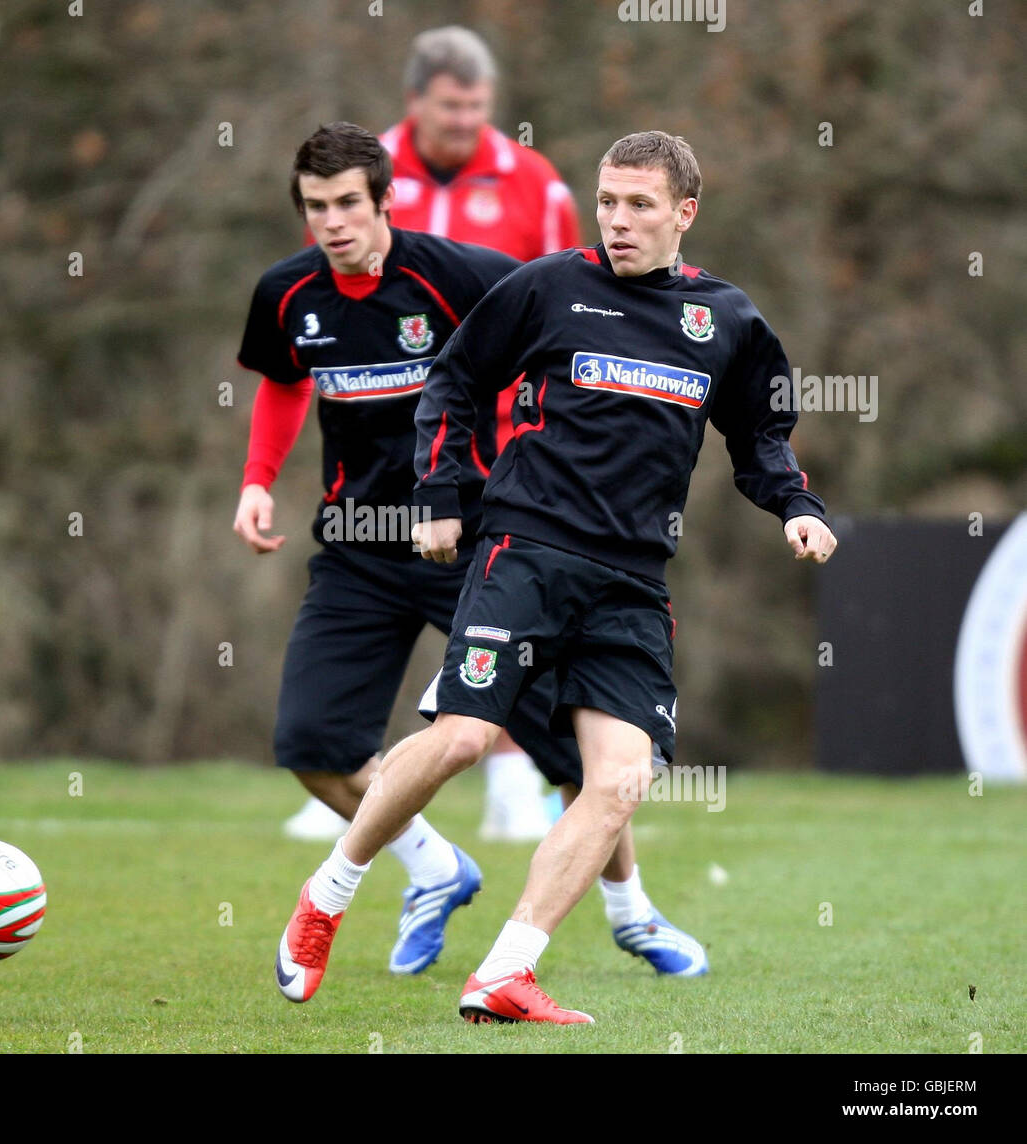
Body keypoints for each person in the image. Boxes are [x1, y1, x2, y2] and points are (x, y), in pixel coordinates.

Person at [274, 130, 837, 1022]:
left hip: (633, 582)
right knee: (462, 738)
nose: (617, 220)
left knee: (616, 782)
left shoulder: (725, 321)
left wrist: (798, 507)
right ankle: (327, 896)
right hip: (524, 552)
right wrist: (441, 493)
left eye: (640, 205)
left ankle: (506, 969)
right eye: (608, 201)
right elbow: (451, 382)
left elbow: (760, 438)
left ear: (685, 213)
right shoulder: (548, 288)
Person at [239, 123, 705, 984]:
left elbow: (558, 324)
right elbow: (283, 382)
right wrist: (258, 477)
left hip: (476, 543)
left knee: (582, 754)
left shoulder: (463, 274)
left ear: (387, 201)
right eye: (314, 208)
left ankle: (632, 913)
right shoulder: (285, 293)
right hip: (354, 546)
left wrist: (477, 483)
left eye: (348, 203)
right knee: (311, 742)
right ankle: (434, 870)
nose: (332, 223)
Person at [285, 24, 579, 844]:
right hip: (379, 446)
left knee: (504, 607)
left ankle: (524, 780)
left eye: (479, 108)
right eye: (451, 107)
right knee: (367, 593)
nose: (465, 122)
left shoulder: (534, 182)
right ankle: (344, 769)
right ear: (416, 103)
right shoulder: (362, 168)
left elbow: (565, 295)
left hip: (496, 431)